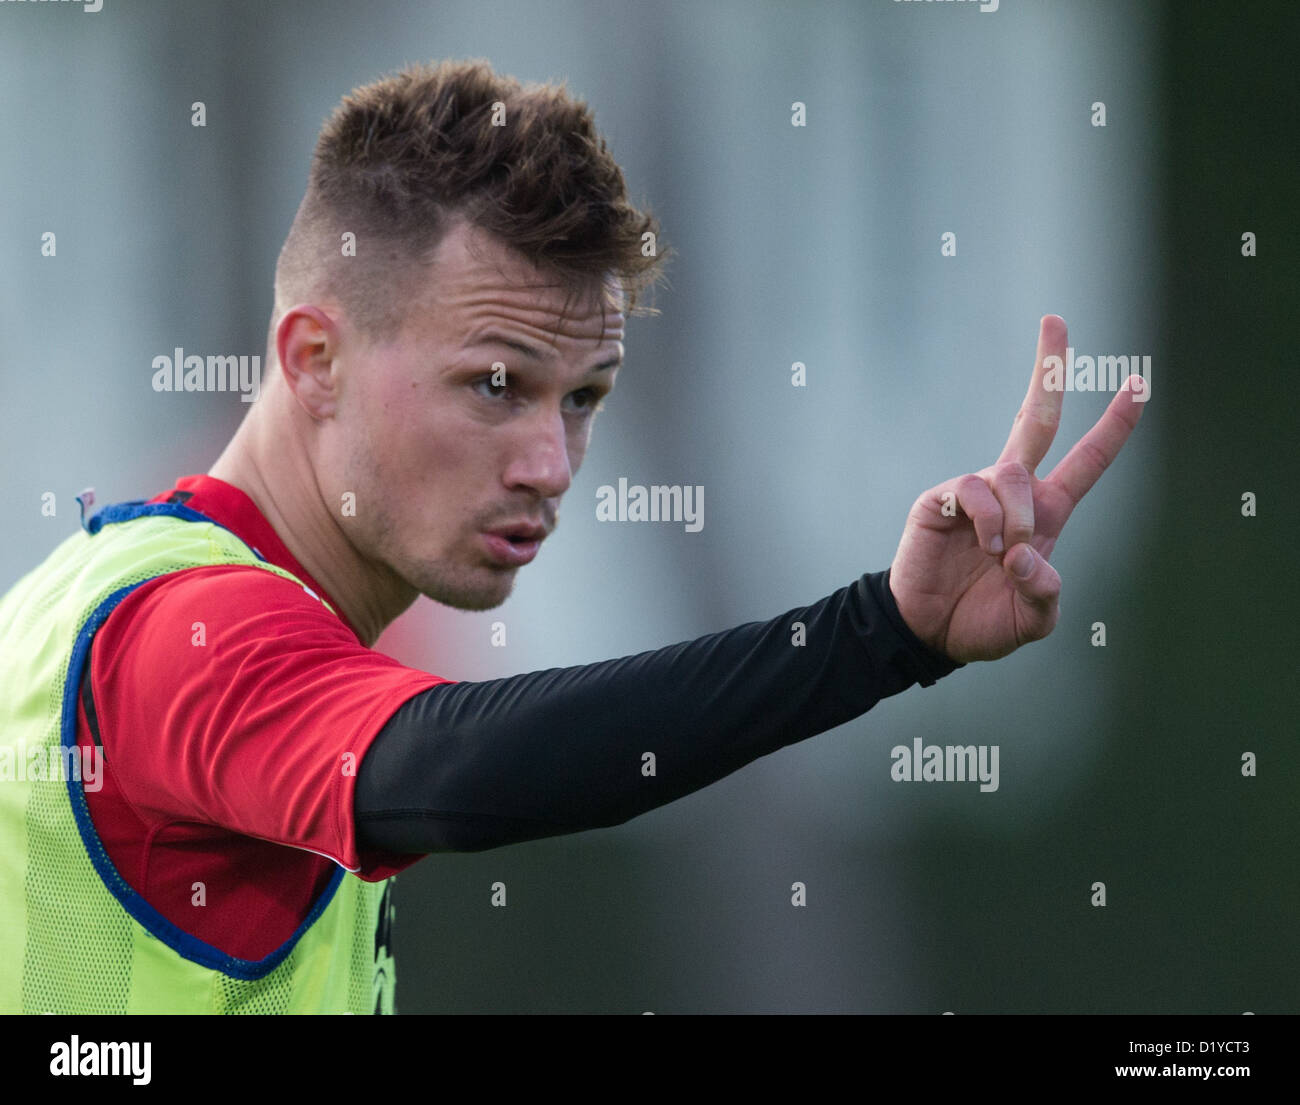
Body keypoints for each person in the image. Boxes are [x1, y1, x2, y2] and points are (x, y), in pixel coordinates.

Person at [0, 58, 1144, 1014]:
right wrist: (878, 633)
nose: (550, 464)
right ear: (314, 361)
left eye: (584, 397)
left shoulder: (102, 589)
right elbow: (455, 769)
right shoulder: (190, 632)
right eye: (494, 383)